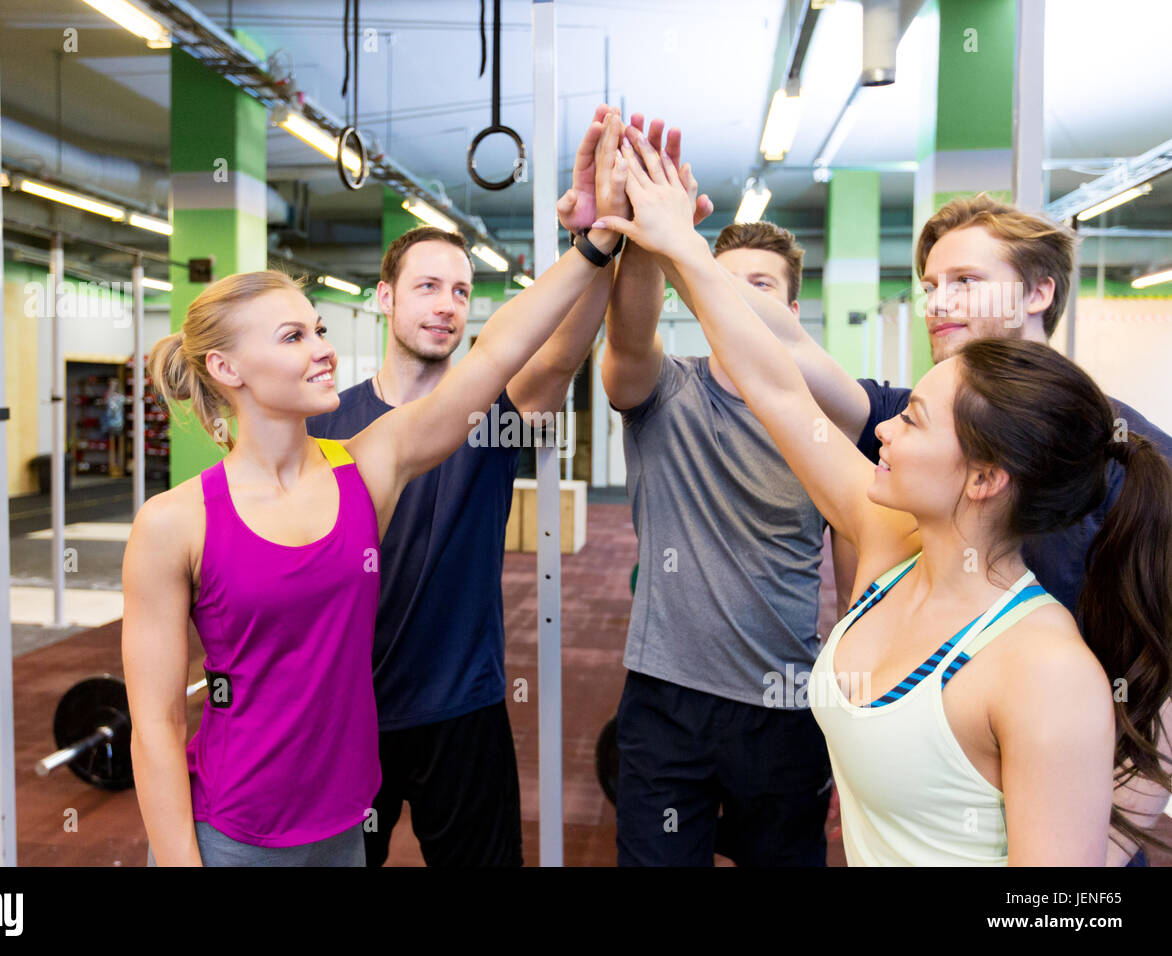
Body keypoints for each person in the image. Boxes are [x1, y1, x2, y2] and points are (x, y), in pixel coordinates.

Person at [593, 127, 1172, 865]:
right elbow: (776, 377)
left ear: (986, 476)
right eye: (931, 284)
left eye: (914, 420)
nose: (884, 429)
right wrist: (666, 239)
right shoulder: (890, 531)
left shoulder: (1046, 665)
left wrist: (1104, 833)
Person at [122, 193, 626, 865]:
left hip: (340, 824)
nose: (323, 349)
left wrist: (594, 247)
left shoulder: (365, 468)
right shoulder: (172, 522)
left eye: (320, 330)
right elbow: (154, 726)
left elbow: (494, 358)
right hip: (236, 830)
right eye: (295, 337)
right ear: (226, 368)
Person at [308, 105, 666, 866]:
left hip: (459, 707)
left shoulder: (491, 412)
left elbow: (561, 352)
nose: (445, 305)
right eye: (428, 286)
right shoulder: (326, 420)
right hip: (347, 709)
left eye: (462, 292)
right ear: (385, 297)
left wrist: (600, 246)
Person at [601, 120, 832, 867]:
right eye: (717, 279)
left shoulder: (826, 418)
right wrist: (645, 232)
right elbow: (630, 343)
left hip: (784, 701)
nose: (732, 295)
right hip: (666, 698)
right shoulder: (667, 392)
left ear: (790, 315)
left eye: (757, 286)